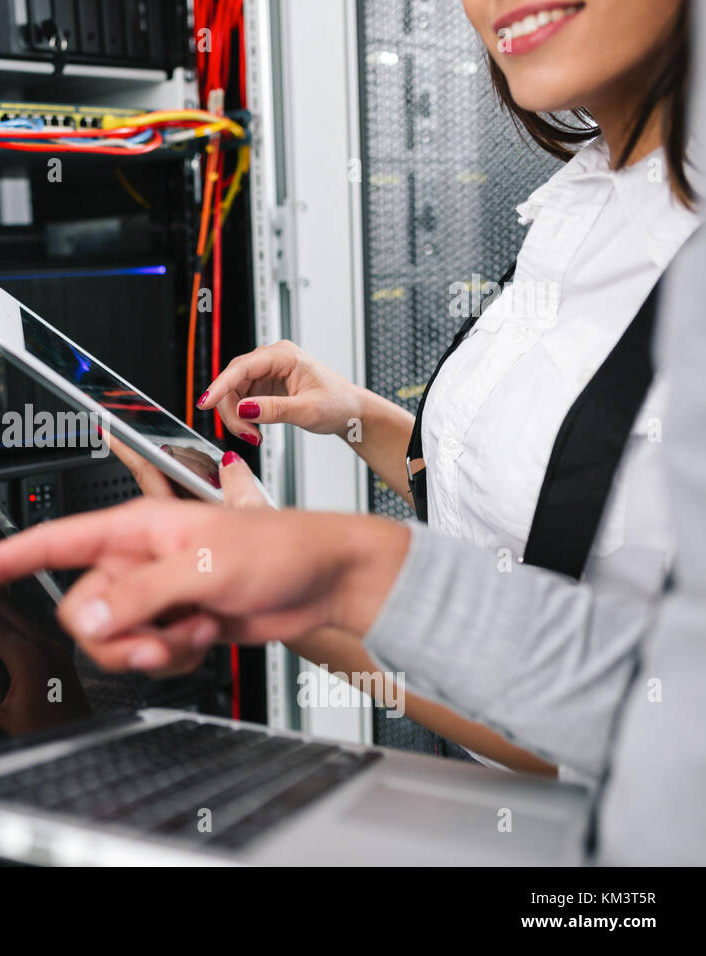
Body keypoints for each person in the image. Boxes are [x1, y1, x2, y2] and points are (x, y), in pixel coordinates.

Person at [130, 0, 697, 776]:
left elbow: (643, 741)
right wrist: (356, 416)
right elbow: (529, 521)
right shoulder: (593, 193)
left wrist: (299, 602)